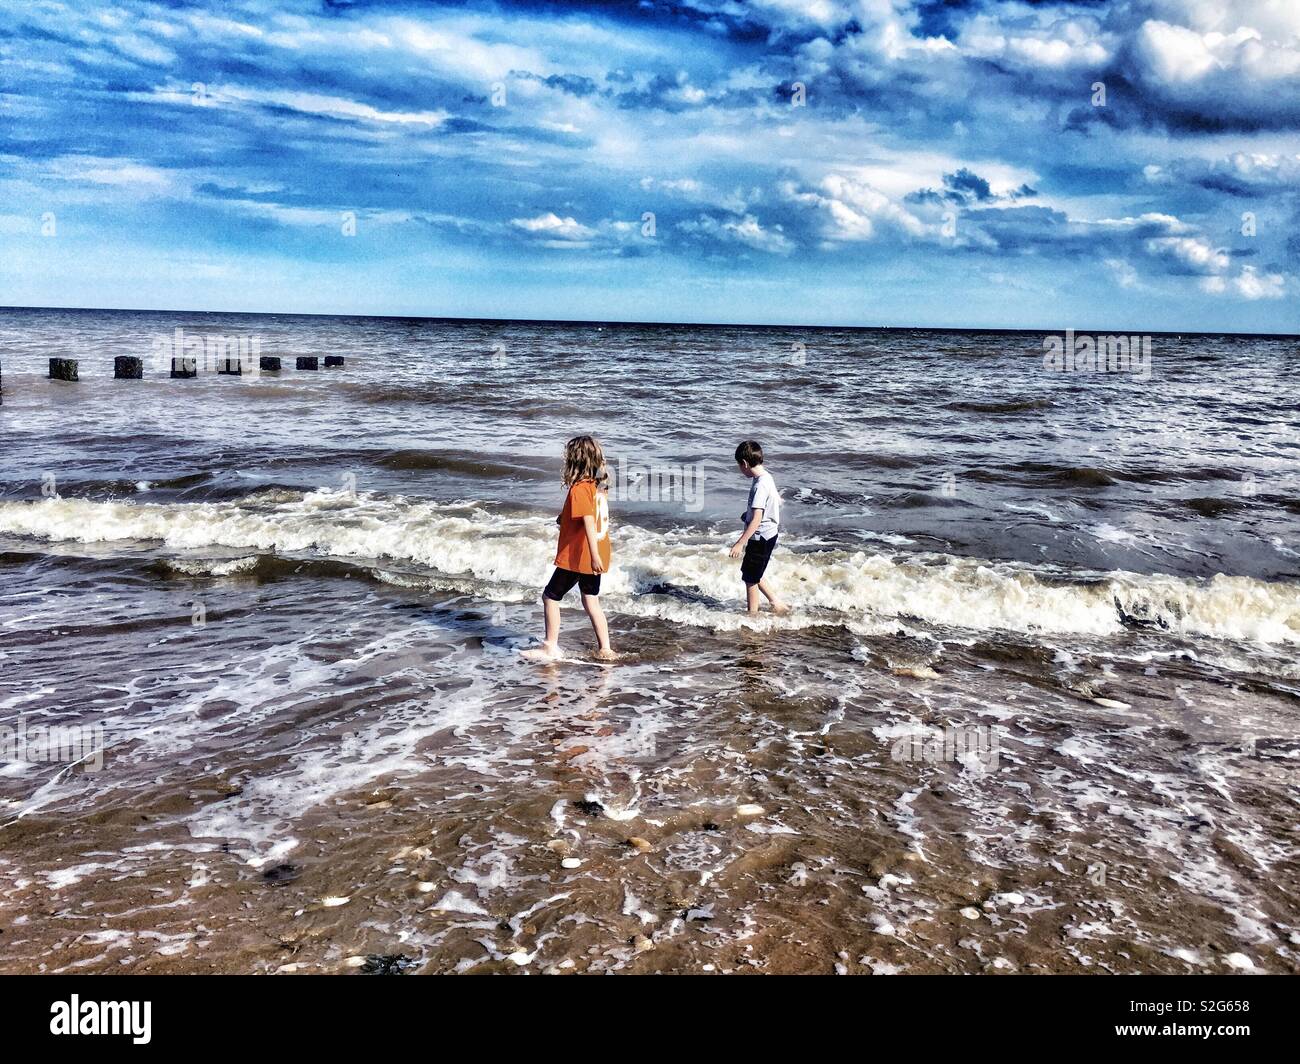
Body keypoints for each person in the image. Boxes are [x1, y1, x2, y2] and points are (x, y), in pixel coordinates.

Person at [536, 434, 615, 659]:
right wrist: (564, 517)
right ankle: (605, 648)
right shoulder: (598, 487)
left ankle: (550, 646)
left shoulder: (580, 488)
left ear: (574, 461)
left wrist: (593, 556)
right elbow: (591, 515)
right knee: (591, 600)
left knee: (550, 596)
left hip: (579, 556)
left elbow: (588, 522)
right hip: (595, 553)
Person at [729, 439, 789, 616]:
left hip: (759, 537)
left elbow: (757, 519)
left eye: (740, 466)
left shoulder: (759, 486)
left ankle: (752, 616)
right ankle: (776, 602)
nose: (740, 470)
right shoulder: (767, 477)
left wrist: (740, 542)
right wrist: (747, 516)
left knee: (750, 578)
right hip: (769, 535)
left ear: (745, 463)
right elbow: (775, 502)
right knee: (753, 572)